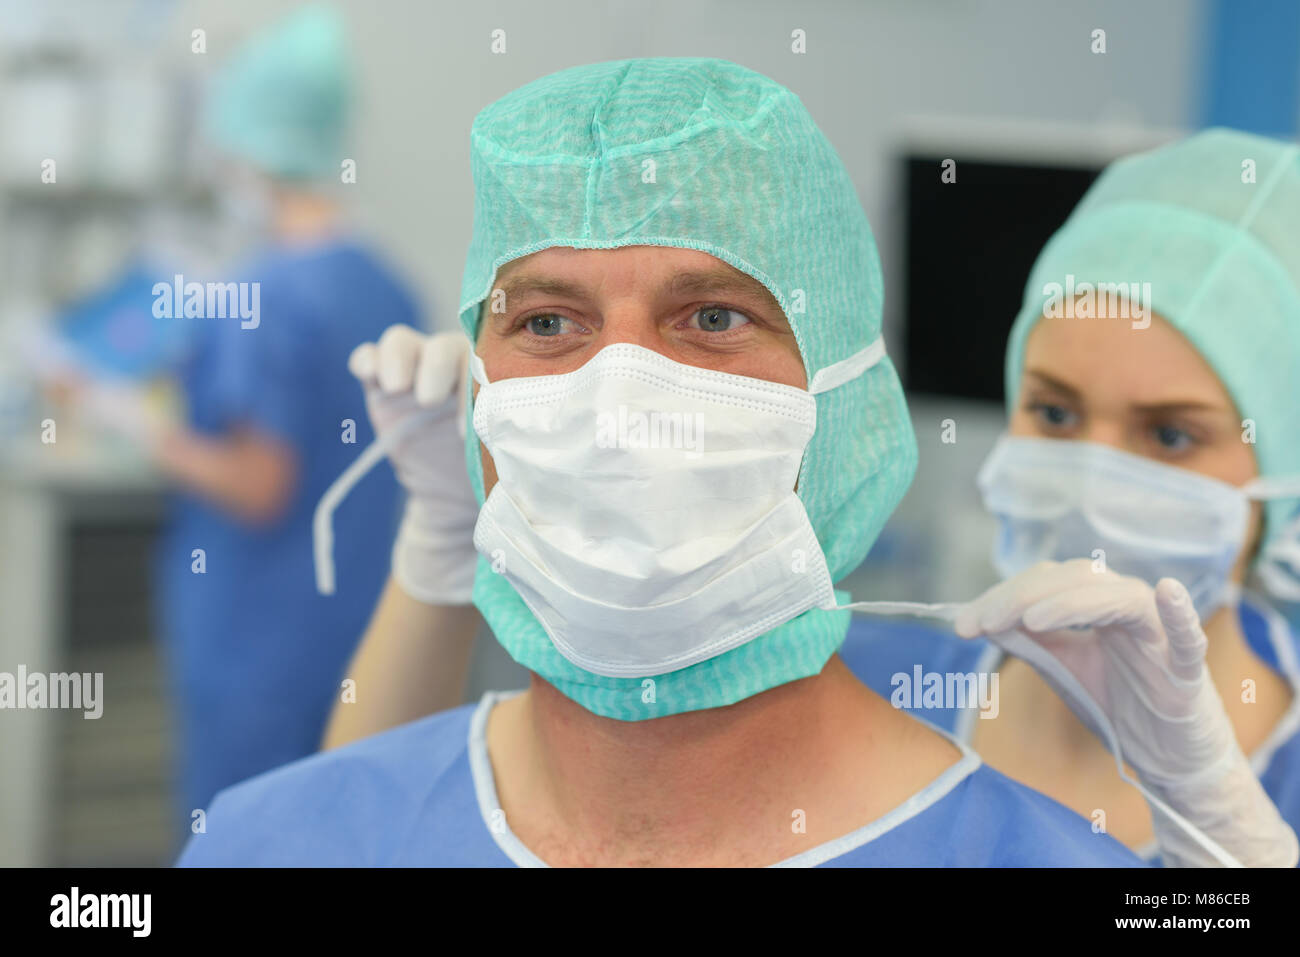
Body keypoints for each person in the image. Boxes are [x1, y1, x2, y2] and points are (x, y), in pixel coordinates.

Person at [178, 58, 1274, 868]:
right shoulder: (272, 841)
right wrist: (437, 551)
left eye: (709, 317)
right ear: (480, 399)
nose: (617, 404)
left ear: (844, 396)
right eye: (548, 324)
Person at [839, 128, 1300, 865]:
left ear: (1282, 475)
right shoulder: (857, 688)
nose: (1091, 478)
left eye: (1171, 435)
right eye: (1055, 413)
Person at [136, 6, 414, 824]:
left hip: (259, 641)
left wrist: (141, 427)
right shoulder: (383, 280)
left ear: (248, 150)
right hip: (358, 631)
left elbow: (258, 484)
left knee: (245, 831)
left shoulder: (267, 290)